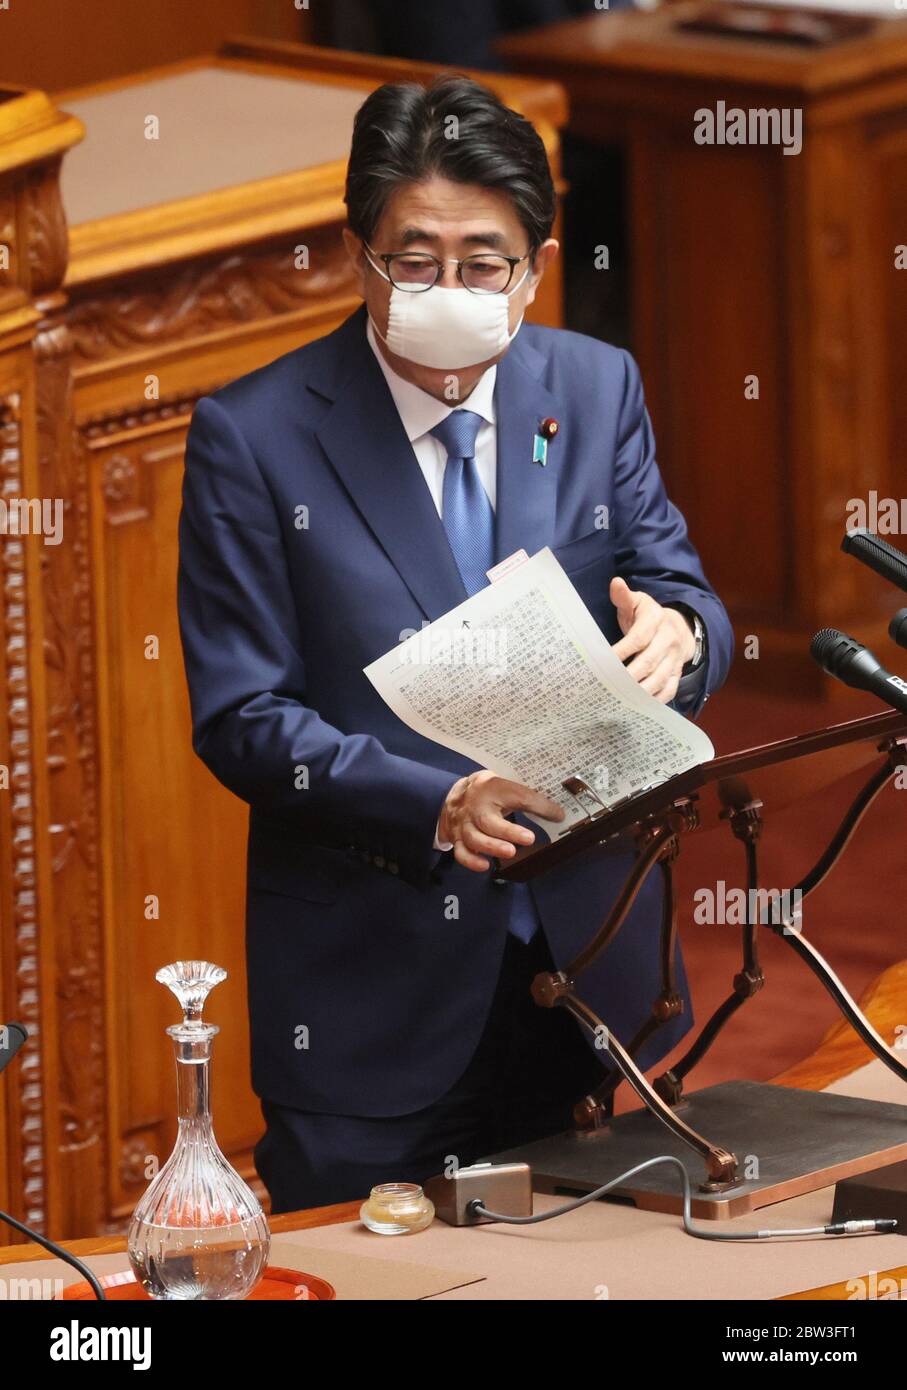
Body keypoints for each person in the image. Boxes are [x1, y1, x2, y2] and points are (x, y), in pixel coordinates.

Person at [177, 75, 734, 1213]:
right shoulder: (256, 435)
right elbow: (242, 716)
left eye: (483, 263)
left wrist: (681, 635)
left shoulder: (591, 385)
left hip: (580, 959)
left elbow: (680, 588)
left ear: (535, 262)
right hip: (369, 991)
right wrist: (431, 803)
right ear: (357, 252)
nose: (449, 288)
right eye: (412, 258)